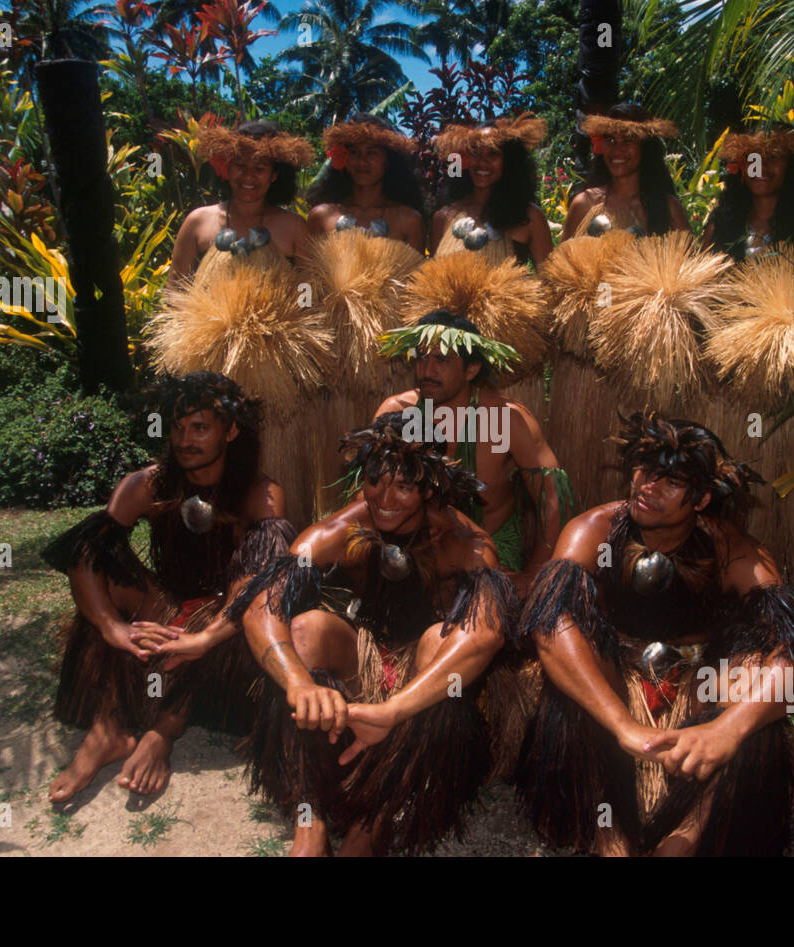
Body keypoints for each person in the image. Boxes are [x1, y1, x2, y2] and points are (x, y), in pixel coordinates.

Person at [516, 412, 794, 855]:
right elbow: (549, 625)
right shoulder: (595, 530)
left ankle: (686, 836)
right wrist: (623, 726)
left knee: (755, 684)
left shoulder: (733, 551)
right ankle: (609, 836)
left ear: (701, 499)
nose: (647, 486)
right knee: (569, 677)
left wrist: (728, 729)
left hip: (697, 682)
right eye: (643, 470)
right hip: (614, 679)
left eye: (670, 482)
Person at [228, 413, 518, 855]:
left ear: (430, 486)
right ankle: (312, 822)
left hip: (426, 682)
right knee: (304, 631)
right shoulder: (341, 530)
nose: (384, 498)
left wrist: (395, 710)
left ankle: (374, 821)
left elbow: (485, 635)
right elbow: (262, 607)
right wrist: (298, 682)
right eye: (375, 480)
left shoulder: (465, 544)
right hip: (364, 658)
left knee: (439, 639)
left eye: (403, 485)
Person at [42, 372, 294, 804]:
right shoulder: (146, 485)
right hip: (166, 604)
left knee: (245, 612)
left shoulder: (260, 494)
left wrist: (205, 637)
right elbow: (83, 556)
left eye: (199, 428)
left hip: (225, 622)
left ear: (231, 431)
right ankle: (108, 731)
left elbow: (262, 587)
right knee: (104, 577)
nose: (184, 440)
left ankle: (163, 732)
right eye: (177, 428)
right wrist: (111, 627)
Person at [373, 310, 572, 584]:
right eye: (421, 357)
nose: (427, 370)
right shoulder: (398, 413)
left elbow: (552, 499)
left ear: (472, 369)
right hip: (415, 546)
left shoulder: (509, 419)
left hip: (493, 545)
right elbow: (367, 493)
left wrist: (536, 574)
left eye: (441, 360)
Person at [168, 120, 315, 286]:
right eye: (240, 165)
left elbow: (309, 288)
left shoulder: (294, 227)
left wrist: (304, 310)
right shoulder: (198, 222)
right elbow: (175, 289)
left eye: (259, 168)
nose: (248, 176)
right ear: (227, 168)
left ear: (273, 175)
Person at [430, 112, 554, 265]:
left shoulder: (531, 217)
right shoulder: (443, 217)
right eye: (475, 152)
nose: (482, 162)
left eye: (493, 153)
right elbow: (433, 280)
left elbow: (549, 283)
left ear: (509, 160)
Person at [701, 127, 794, 260]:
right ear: (741, 165)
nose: (761, 167)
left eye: (774, 157)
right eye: (753, 158)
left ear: (793, 165)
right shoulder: (718, 228)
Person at [561, 103, 690, 240]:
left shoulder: (668, 208)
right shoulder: (584, 204)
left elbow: (690, 260)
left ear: (645, 147)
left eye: (627, 141)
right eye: (610, 140)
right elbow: (561, 260)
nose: (617, 149)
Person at [305, 114, 425, 253]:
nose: (362, 161)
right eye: (354, 152)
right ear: (343, 158)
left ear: (388, 161)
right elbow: (308, 273)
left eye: (372, 153)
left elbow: (418, 274)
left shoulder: (408, 220)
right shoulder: (322, 216)